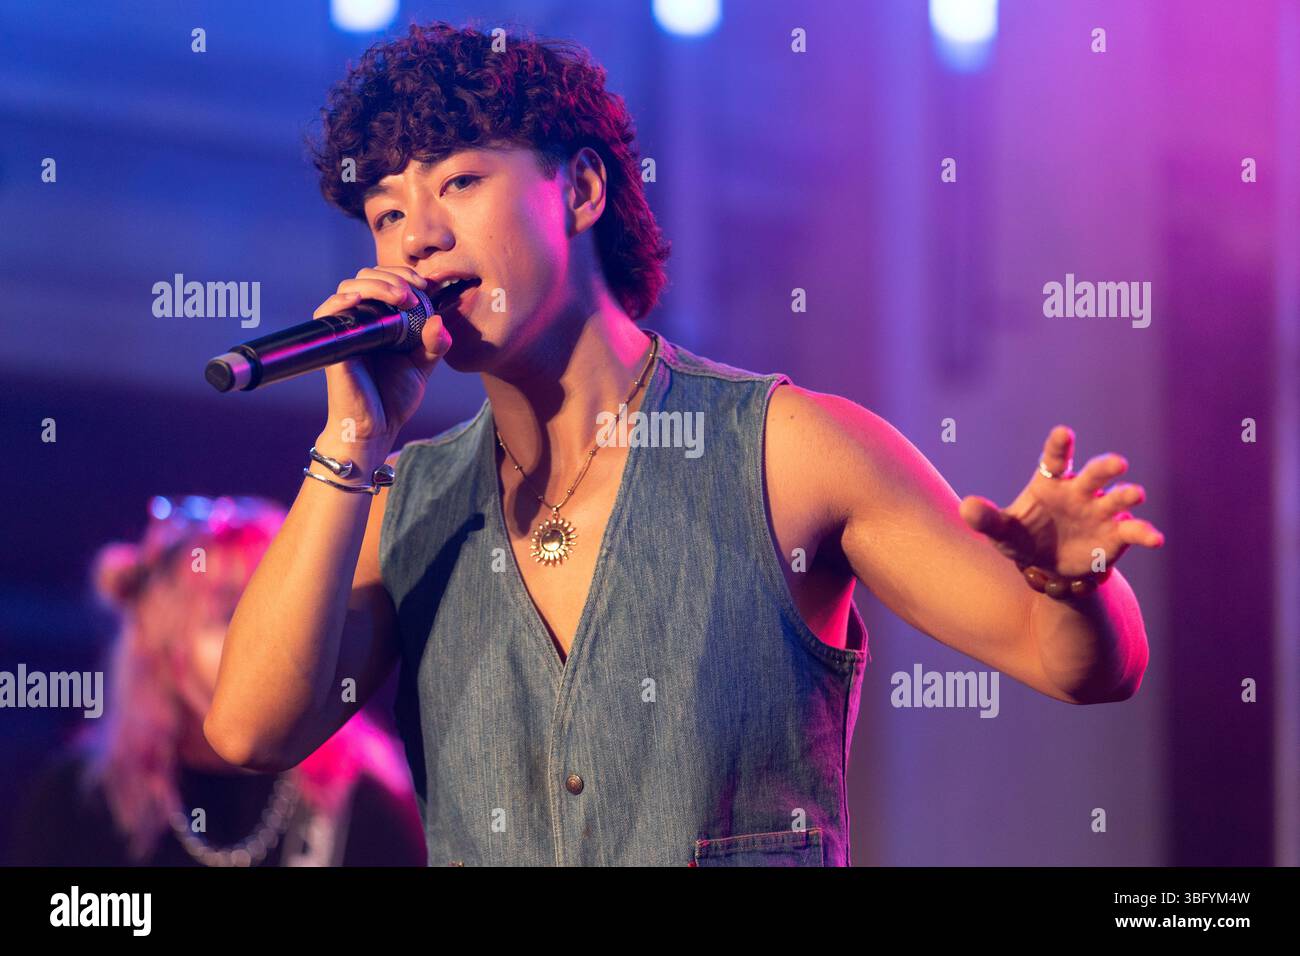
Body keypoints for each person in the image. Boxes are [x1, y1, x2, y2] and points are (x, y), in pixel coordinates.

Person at [206, 21, 1164, 867]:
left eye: (458, 180)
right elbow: (249, 729)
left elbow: (1076, 663)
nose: (415, 237)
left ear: (579, 190)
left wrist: (1072, 584)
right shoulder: (406, 500)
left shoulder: (789, 450)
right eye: (385, 214)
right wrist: (351, 438)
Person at [8, 495, 426, 867]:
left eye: (278, 615)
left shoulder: (365, 801)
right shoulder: (77, 803)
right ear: (165, 647)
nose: (263, 641)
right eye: (229, 616)